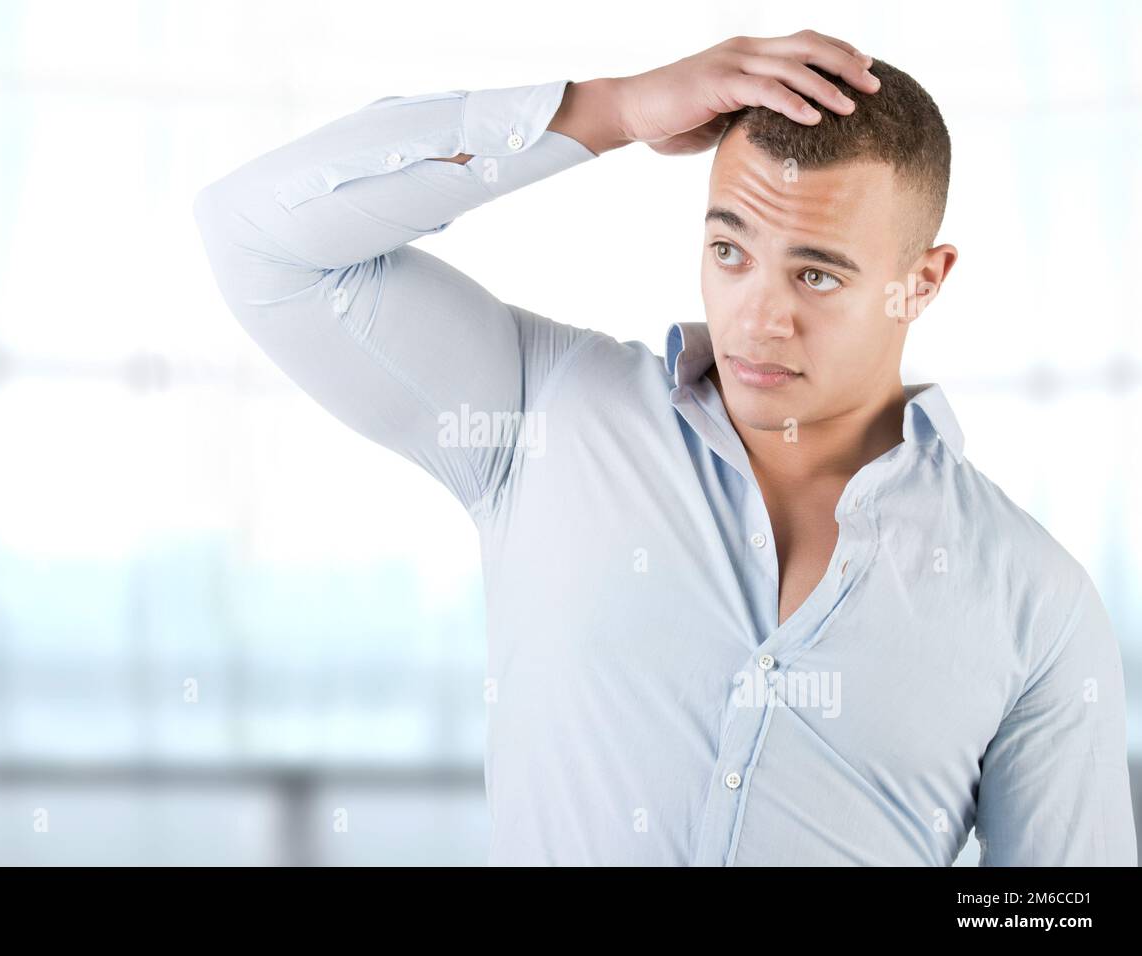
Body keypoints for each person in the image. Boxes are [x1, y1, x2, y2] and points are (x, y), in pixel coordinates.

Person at [192, 30, 1137, 866]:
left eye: (815, 273)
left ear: (922, 281)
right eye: (730, 252)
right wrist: (612, 109)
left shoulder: (1034, 604)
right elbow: (258, 236)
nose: (759, 319)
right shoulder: (542, 412)